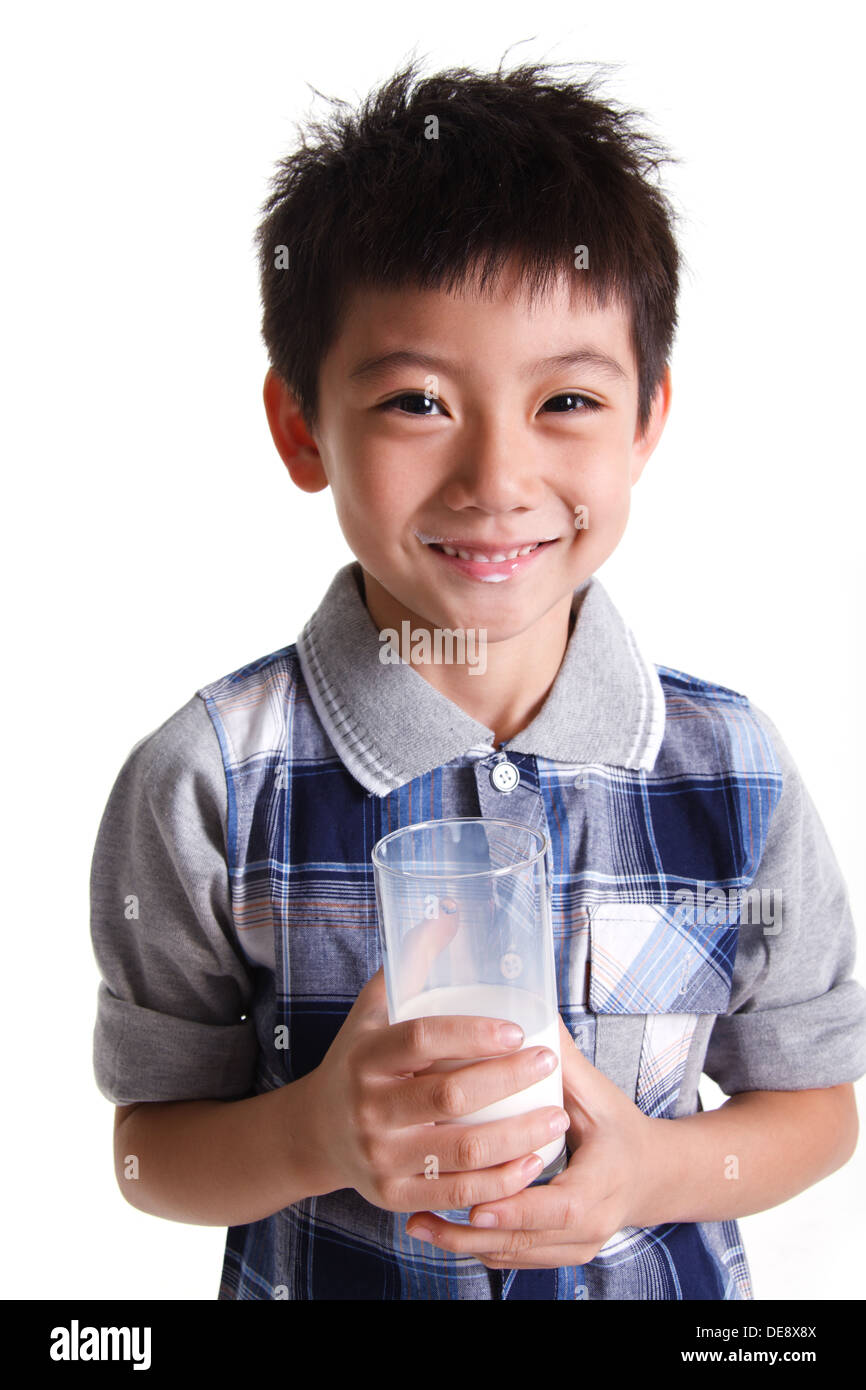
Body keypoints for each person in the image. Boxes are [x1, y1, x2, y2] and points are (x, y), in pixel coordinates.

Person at [89, 56, 866, 1300]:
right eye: (416, 402)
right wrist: (311, 1136)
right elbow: (146, 1154)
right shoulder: (207, 779)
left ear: (644, 420)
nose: (496, 478)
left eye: (565, 397)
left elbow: (817, 1105)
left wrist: (653, 1174)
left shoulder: (733, 767)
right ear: (301, 428)